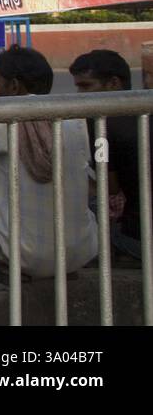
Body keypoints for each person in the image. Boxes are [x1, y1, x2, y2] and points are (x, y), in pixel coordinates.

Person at [0, 45, 98, 285]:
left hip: (26, 258)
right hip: (80, 254)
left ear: (14, 86)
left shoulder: (4, 124)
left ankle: (5, 260)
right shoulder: (74, 121)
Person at [70, 49, 146, 261]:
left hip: (139, 239)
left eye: (86, 86)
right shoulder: (144, 112)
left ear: (113, 83)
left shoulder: (101, 126)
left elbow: (108, 187)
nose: (80, 95)